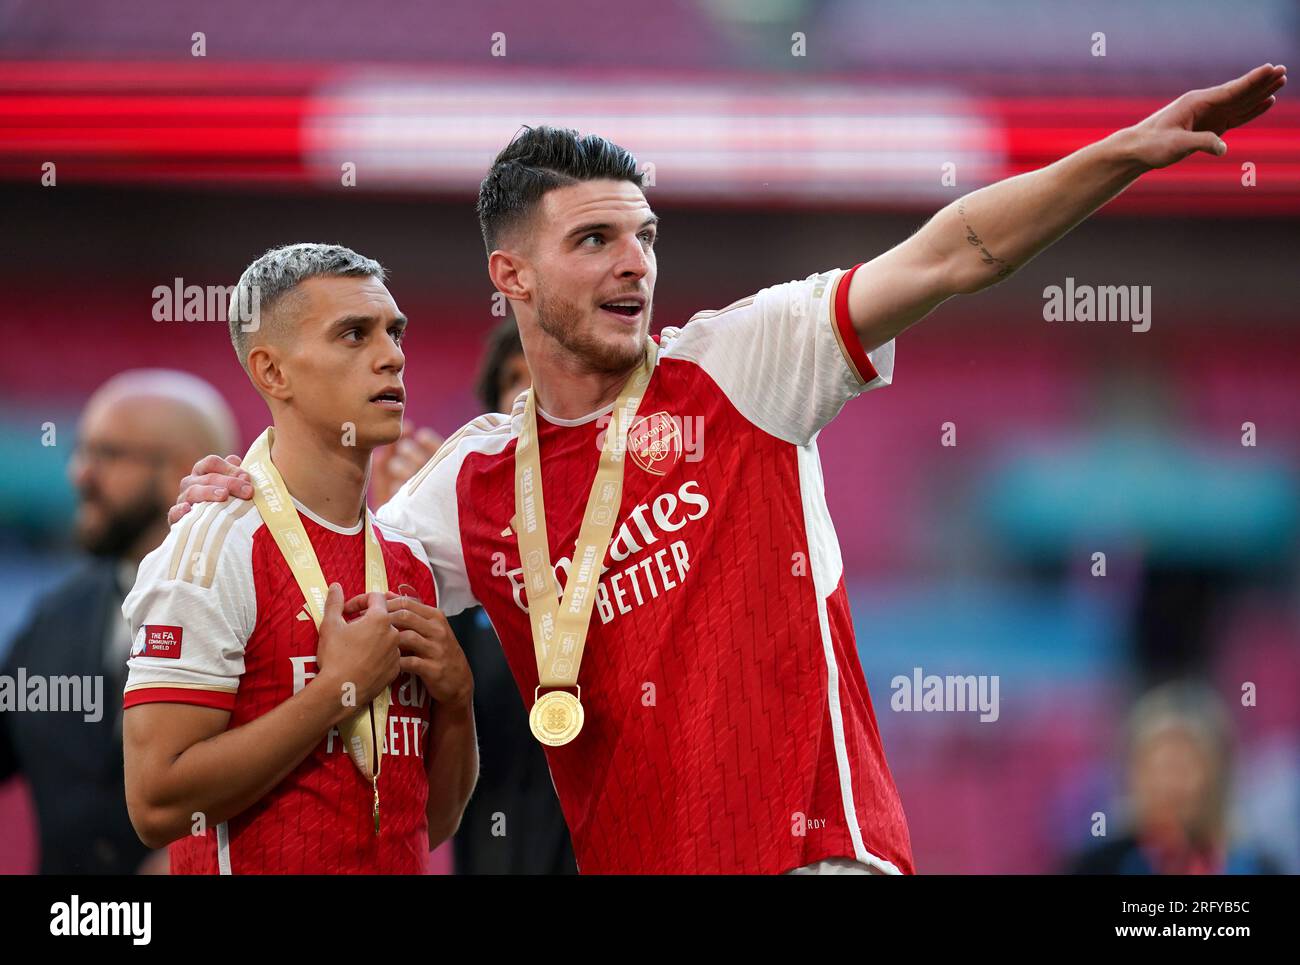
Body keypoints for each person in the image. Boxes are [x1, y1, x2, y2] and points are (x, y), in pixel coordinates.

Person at [169, 64, 1287, 874]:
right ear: (510, 273)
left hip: (820, 856)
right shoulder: (473, 483)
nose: (635, 265)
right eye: (595, 240)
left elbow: (958, 249)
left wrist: (1122, 151)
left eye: (644, 236)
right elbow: (332, 571)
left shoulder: (745, 358)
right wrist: (242, 497)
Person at [122, 244, 477, 873]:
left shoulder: (407, 563)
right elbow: (155, 804)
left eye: (394, 331)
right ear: (273, 372)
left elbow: (432, 823)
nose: (392, 354)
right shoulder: (213, 546)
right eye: (353, 334)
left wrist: (457, 701)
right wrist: (338, 693)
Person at [0, 369, 238, 873]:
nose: (79, 475)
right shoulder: (57, 615)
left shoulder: (264, 612)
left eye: (106, 454)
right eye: (80, 452)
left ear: (181, 468)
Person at [1065, 681, 1282, 874]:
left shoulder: (1257, 866)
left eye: (1186, 767)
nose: (1172, 786)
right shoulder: (1097, 866)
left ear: (1218, 774)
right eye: (1159, 767)